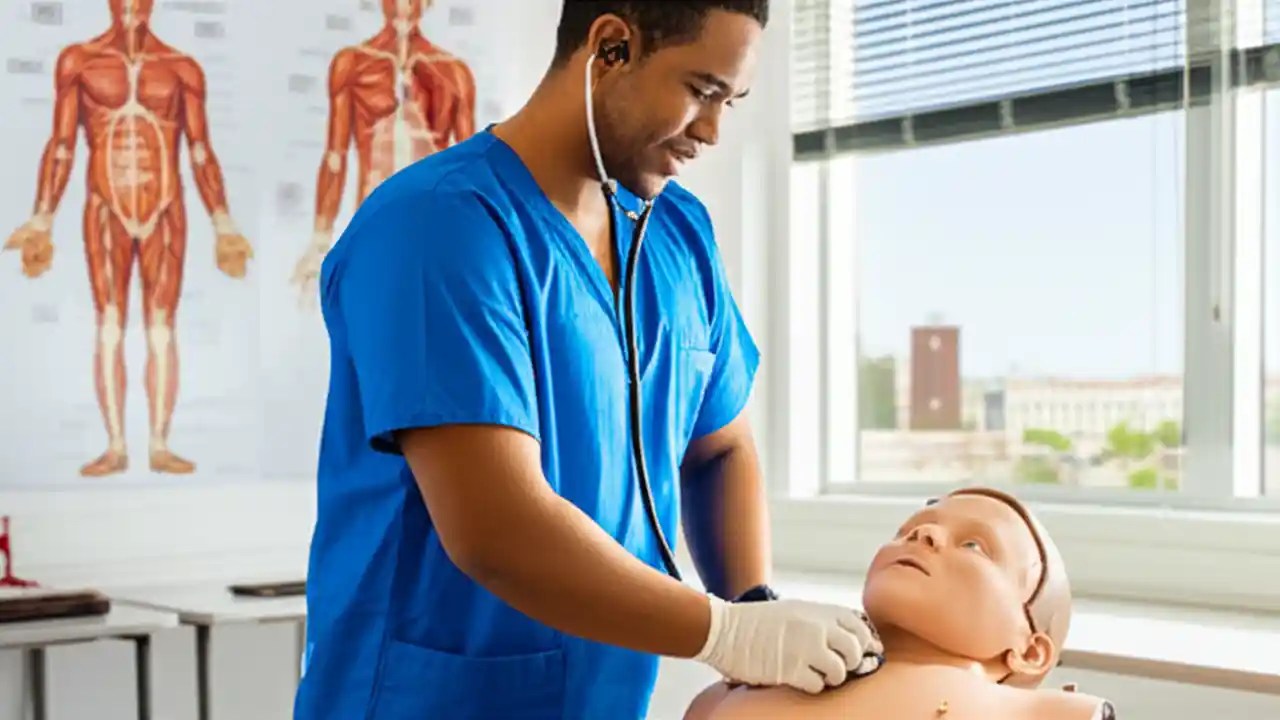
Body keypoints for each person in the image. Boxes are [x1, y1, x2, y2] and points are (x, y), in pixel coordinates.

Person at [293, 2, 882, 719]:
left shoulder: (677, 232)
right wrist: (726, 634)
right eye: (700, 90)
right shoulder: (439, 226)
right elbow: (496, 530)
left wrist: (755, 608)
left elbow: (719, 447)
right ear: (611, 48)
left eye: (731, 100)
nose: (713, 131)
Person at [2, 0, 252, 477]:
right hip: (105, 205)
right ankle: (116, 445)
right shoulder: (79, 61)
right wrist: (41, 218)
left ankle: (158, 443)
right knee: (111, 323)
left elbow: (200, 150)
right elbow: (61, 144)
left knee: (161, 325)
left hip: (165, 208)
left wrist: (223, 223)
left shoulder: (181, 67)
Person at [683, 487, 1118, 720]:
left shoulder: (1052, 718)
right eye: (909, 529)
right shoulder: (731, 693)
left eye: (973, 544)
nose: (922, 535)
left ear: (1030, 650)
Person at [291, 0, 476, 303]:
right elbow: (335, 157)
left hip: (433, 237)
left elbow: (471, 171)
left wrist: (474, 249)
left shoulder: (453, 73)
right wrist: (319, 242)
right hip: (373, 234)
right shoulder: (352, 65)